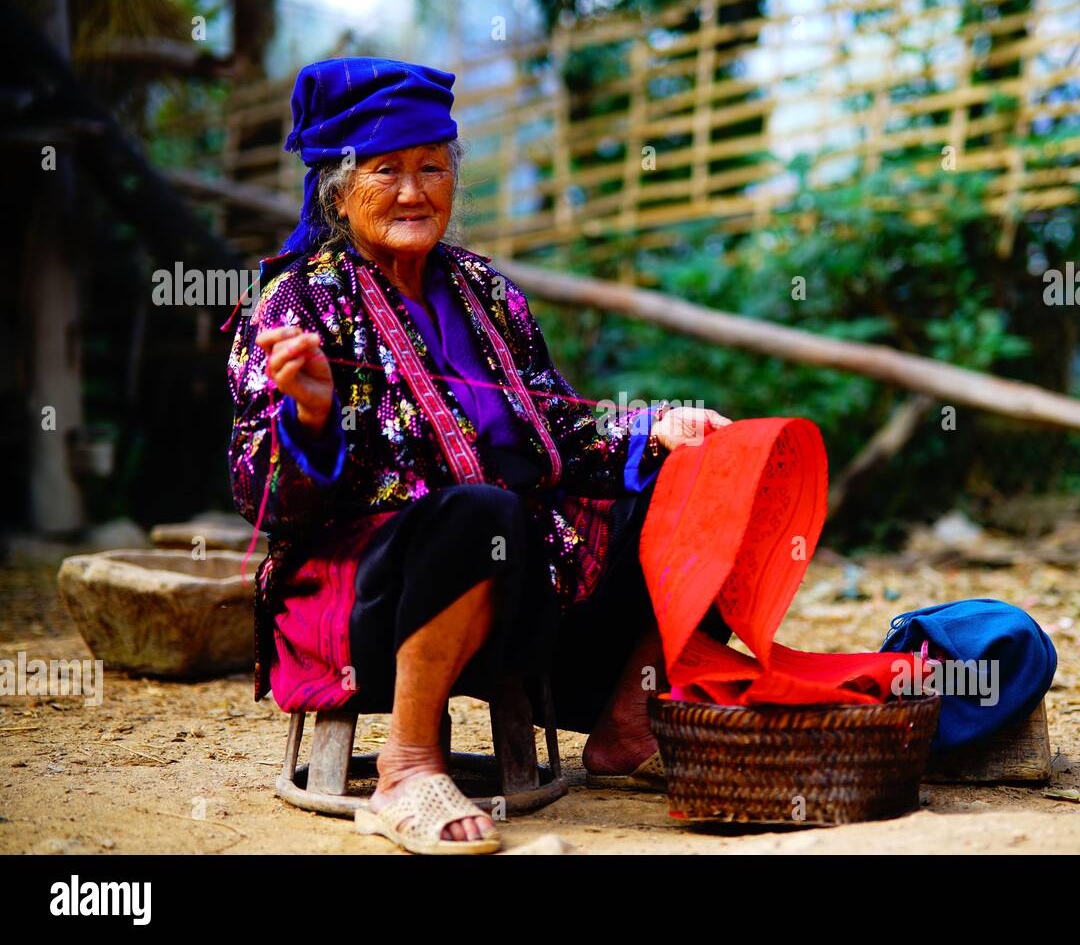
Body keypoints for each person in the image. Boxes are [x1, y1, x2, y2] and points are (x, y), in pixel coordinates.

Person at [226, 57, 731, 854]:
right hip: (374, 604)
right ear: (336, 187)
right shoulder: (298, 301)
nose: (412, 191)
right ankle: (408, 764)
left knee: (729, 471)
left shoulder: (485, 291)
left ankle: (631, 723)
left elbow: (559, 425)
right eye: (384, 170)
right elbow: (259, 494)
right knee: (479, 513)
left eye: (432, 167)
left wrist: (657, 428)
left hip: (533, 589)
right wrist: (313, 416)